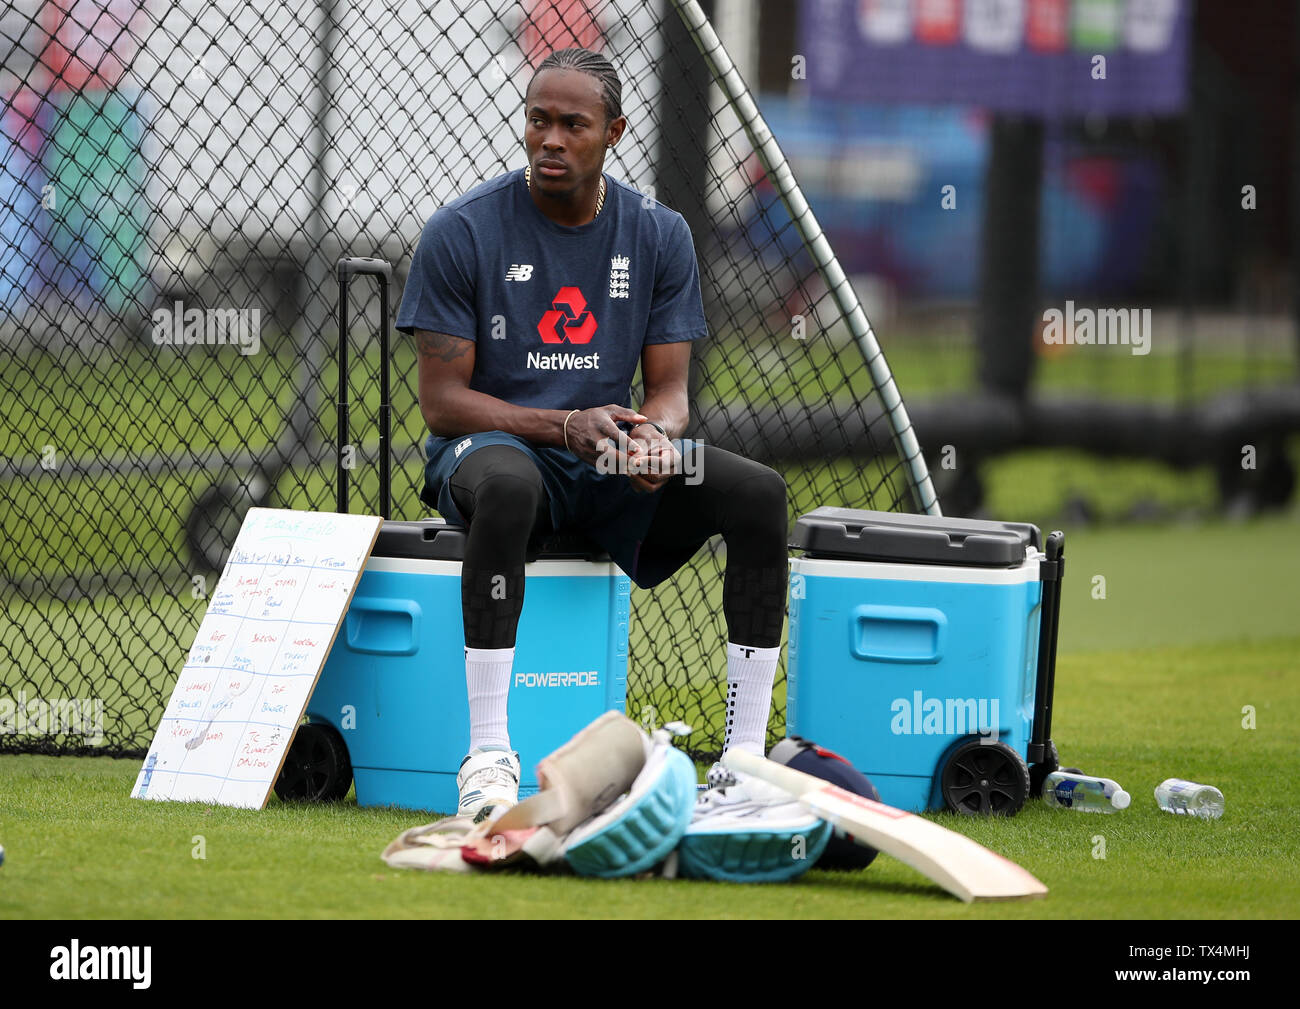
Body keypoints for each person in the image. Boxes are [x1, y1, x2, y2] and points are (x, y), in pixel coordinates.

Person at [396, 47, 788, 818]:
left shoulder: (659, 233)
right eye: (538, 120)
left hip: (605, 458)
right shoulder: (461, 230)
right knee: (509, 486)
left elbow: (669, 392)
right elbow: (442, 403)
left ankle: (744, 758)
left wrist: (653, 438)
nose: (550, 139)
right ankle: (488, 757)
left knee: (756, 492)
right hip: (497, 450)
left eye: (572, 124)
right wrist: (563, 424)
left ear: (613, 132)